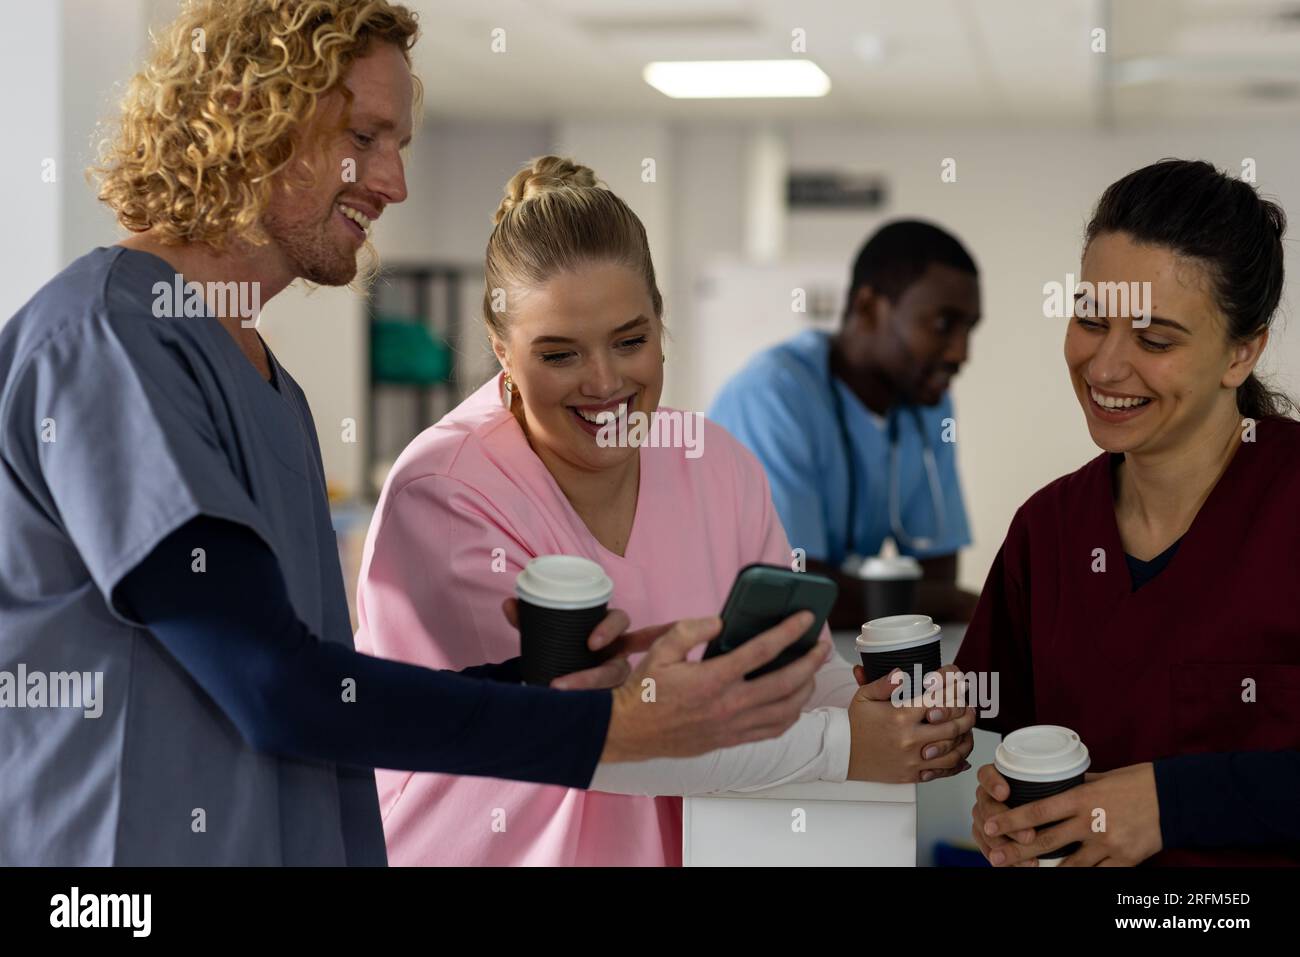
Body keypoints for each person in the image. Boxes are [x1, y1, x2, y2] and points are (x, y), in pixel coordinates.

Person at [0, 0, 833, 866]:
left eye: (399, 146)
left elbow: (323, 683)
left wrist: (542, 684)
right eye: (365, 136)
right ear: (254, 114)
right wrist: (607, 727)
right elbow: (270, 685)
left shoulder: (265, 385)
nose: (394, 184)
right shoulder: (110, 342)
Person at [354, 156, 976, 866]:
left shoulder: (713, 463)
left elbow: (797, 663)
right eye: (559, 354)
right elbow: (585, 739)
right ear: (502, 351)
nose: (606, 382)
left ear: (660, 320)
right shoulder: (448, 493)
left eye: (630, 340)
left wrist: (884, 712)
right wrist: (844, 747)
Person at [960, 159, 1300, 867]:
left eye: (1154, 340)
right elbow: (1017, 742)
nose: (1105, 367)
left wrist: (1177, 804)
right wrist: (1012, 815)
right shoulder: (1048, 532)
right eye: (1090, 319)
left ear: (1243, 350)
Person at [709, 221, 982, 630]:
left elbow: (937, 574)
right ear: (868, 307)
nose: (962, 354)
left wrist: (939, 600)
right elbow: (793, 593)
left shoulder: (927, 406)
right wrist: (956, 602)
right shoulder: (774, 395)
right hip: (733, 647)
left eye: (969, 329)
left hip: (838, 648)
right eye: (943, 325)